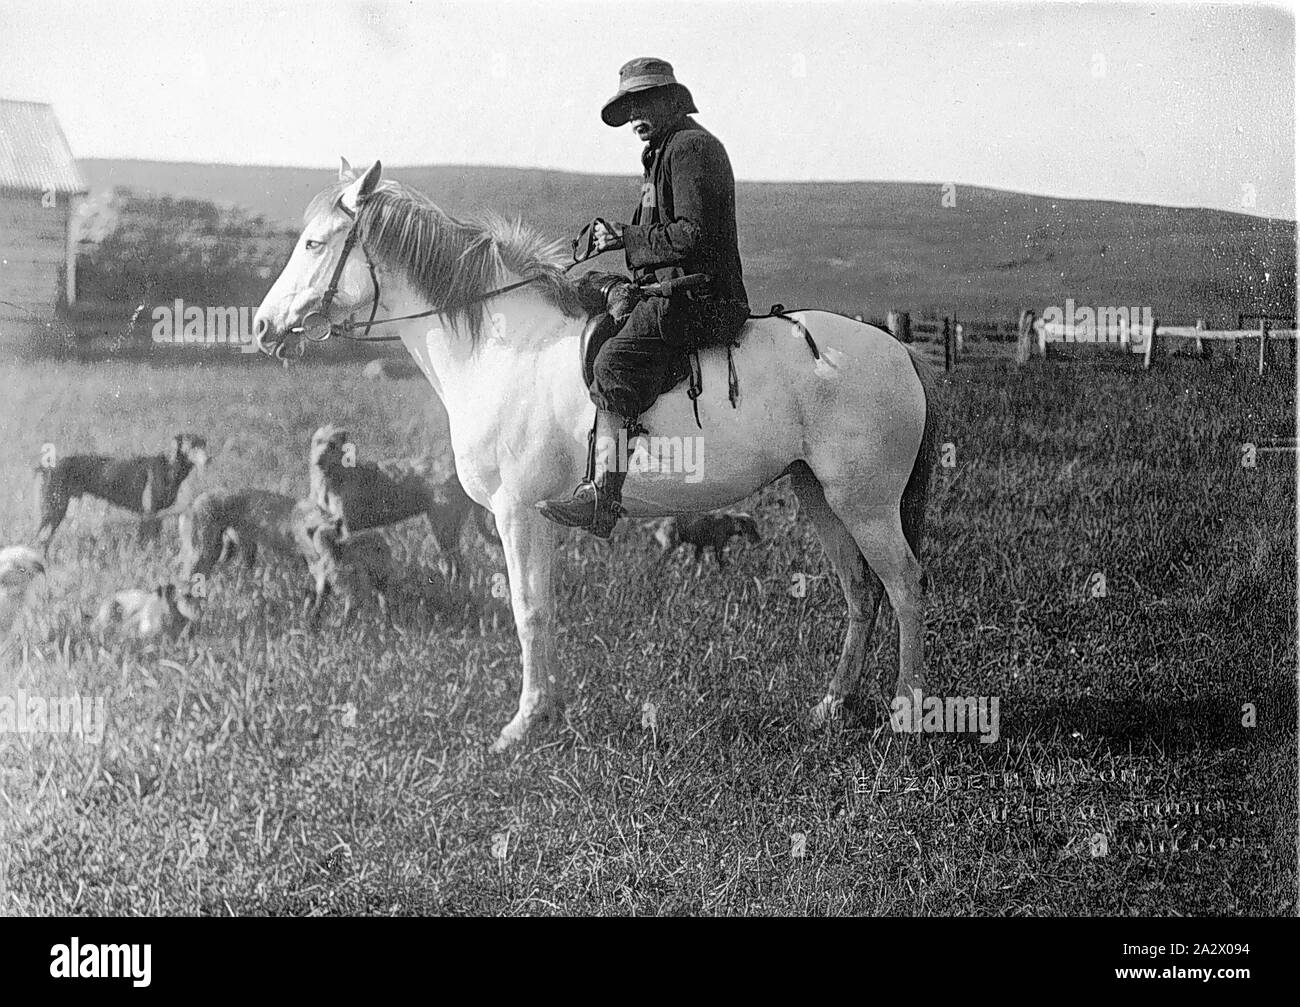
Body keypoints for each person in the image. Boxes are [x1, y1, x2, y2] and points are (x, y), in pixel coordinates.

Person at [539, 57, 750, 539]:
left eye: (644, 101)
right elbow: (664, 239)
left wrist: (624, 237)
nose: (635, 115)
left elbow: (692, 235)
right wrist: (621, 246)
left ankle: (602, 496)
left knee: (611, 363)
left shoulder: (690, 149)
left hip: (704, 299)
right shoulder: (665, 151)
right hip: (680, 289)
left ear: (672, 100)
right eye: (630, 105)